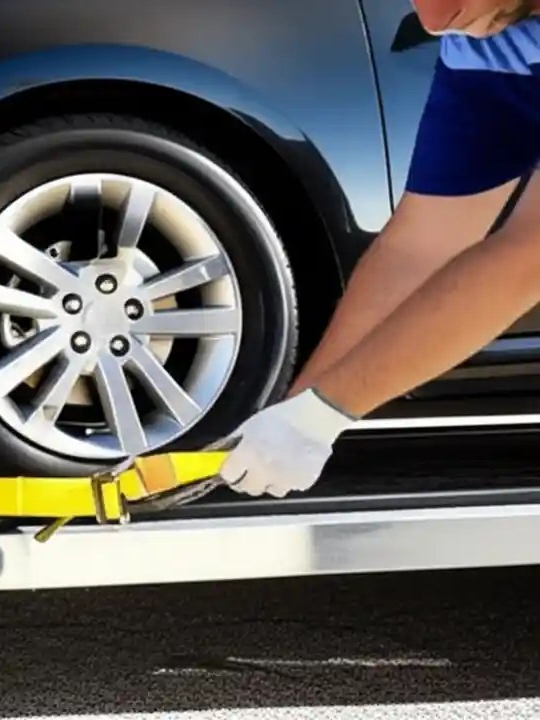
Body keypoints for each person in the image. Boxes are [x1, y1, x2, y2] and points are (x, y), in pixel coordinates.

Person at [216, 0, 540, 498]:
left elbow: (529, 256)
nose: (432, 19)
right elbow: (420, 247)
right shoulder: (491, 36)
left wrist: (324, 414)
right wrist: (290, 415)